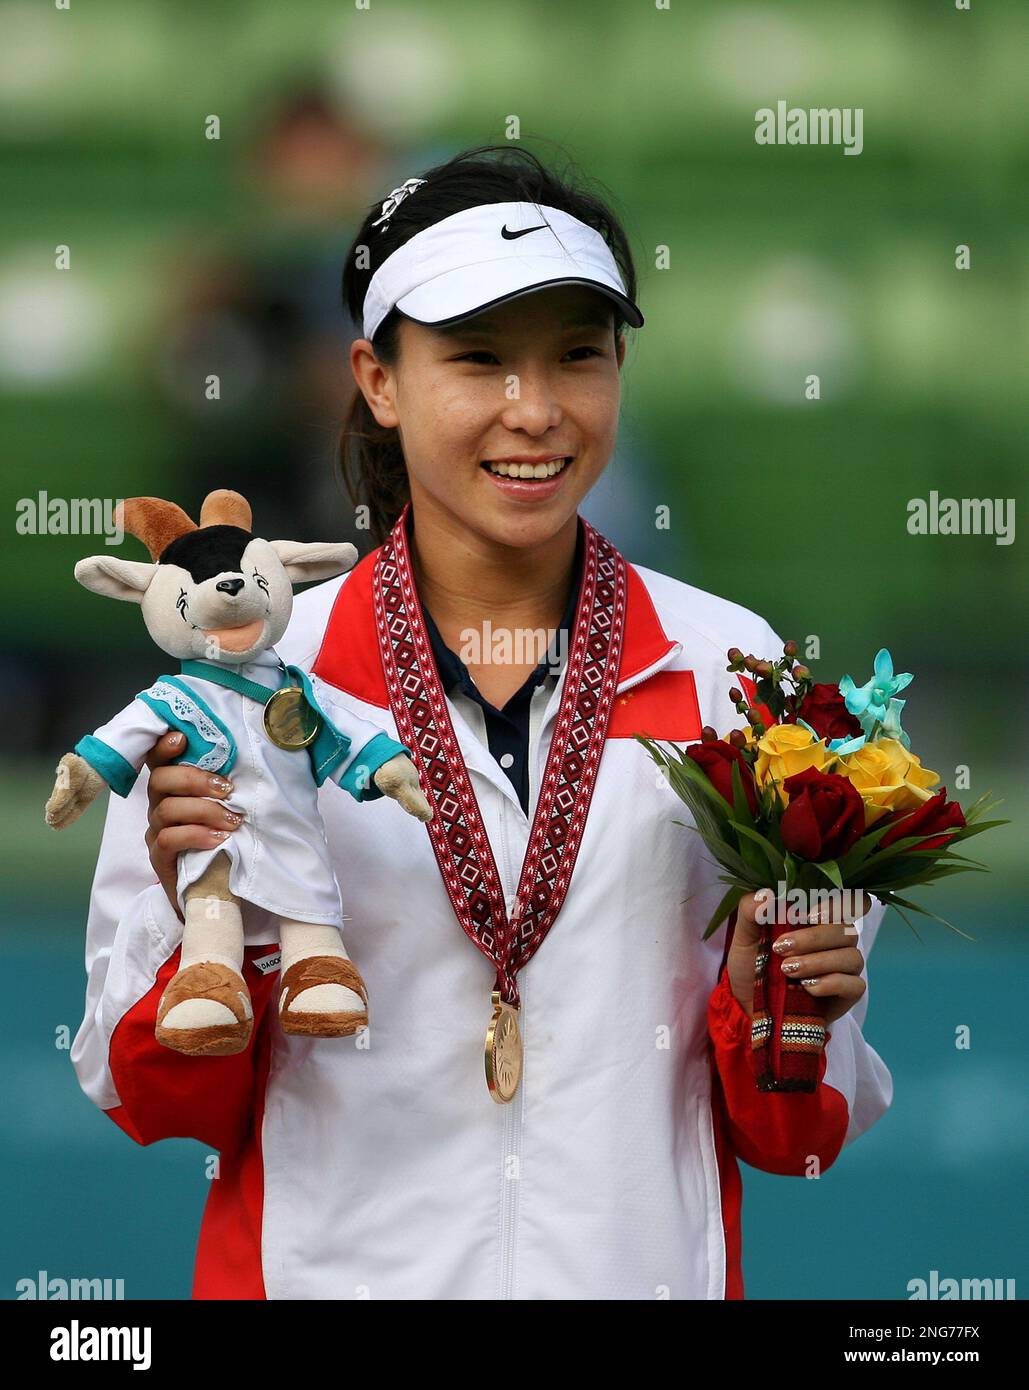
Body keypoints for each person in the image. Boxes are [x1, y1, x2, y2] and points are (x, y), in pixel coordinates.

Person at [70, 144, 892, 1300]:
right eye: (478, 360)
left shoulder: (736, 677)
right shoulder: (244, 685)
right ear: (378, 379)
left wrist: (783, 1004)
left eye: (578, 356)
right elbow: (147, 1098)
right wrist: (200, 932)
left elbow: (802, 1134)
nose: (538, 410)